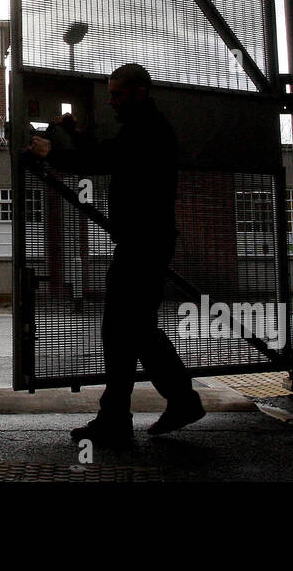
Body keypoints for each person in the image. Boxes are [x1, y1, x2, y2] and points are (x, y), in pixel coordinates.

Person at [29, 62, 204, 448]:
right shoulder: (144, 129)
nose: (112, 102)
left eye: (118, 95)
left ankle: (178, 401)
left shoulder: (148, 131)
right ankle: (126, 415)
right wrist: (74, 134)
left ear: (140, 92)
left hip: (143, 244)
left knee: (131, 329)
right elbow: (109, 154)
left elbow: (104, 160)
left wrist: (51, 152)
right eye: (109, 95)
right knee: (125, 330)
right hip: (142, 242)